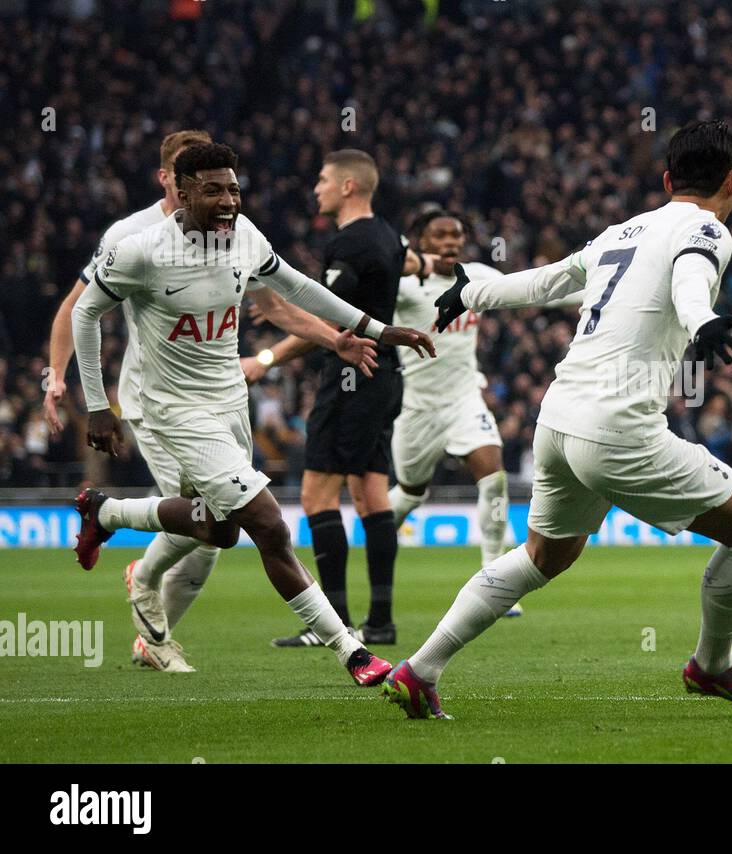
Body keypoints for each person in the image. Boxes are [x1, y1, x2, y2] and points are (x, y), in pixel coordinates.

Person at [380, 120, 732, 719]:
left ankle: (420, 669)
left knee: (544, 556)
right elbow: (692, 276)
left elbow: (546, 282)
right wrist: (702, 321)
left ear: (668, 179)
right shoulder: (707, 228)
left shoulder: (620, 231)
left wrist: (468, 295)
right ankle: (713, 665)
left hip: (558, 420)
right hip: (618, 430)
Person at [70, 142, 434, 686]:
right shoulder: (141, 251)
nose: (227, 200)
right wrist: (99, 406)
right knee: (267, 524)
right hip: (176, 410)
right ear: (182, 191)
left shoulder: (245, 237)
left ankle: (105, 512)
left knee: (216, 531)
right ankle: (352, 652)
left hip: (229, 404)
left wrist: (377, 330)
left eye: (234, 188)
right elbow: (84, 313)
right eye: (213, 189)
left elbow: (298, 288)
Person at [261, 149, 434, 648]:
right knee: (369, 494)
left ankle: (331, 624)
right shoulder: (389, 235)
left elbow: (335, 321)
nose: (316, 189)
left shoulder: (348, 243)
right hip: (386, 376)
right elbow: (412, 262)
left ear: (348, 187)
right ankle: (380, 621)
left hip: (352, 374)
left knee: (318, 495)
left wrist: (266, 358)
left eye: (322, 180)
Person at [385, 210, 523, 616]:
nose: (450, 243)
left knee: (493, 477)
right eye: (440, 236)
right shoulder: (405, 287)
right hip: (418, 408)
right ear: (419, 243)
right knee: (410, 494)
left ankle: (493, 578)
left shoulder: (476, 274)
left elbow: (532, 289)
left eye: (456, 235)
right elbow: (356, 299)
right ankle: (375, 541)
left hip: (465, 399)